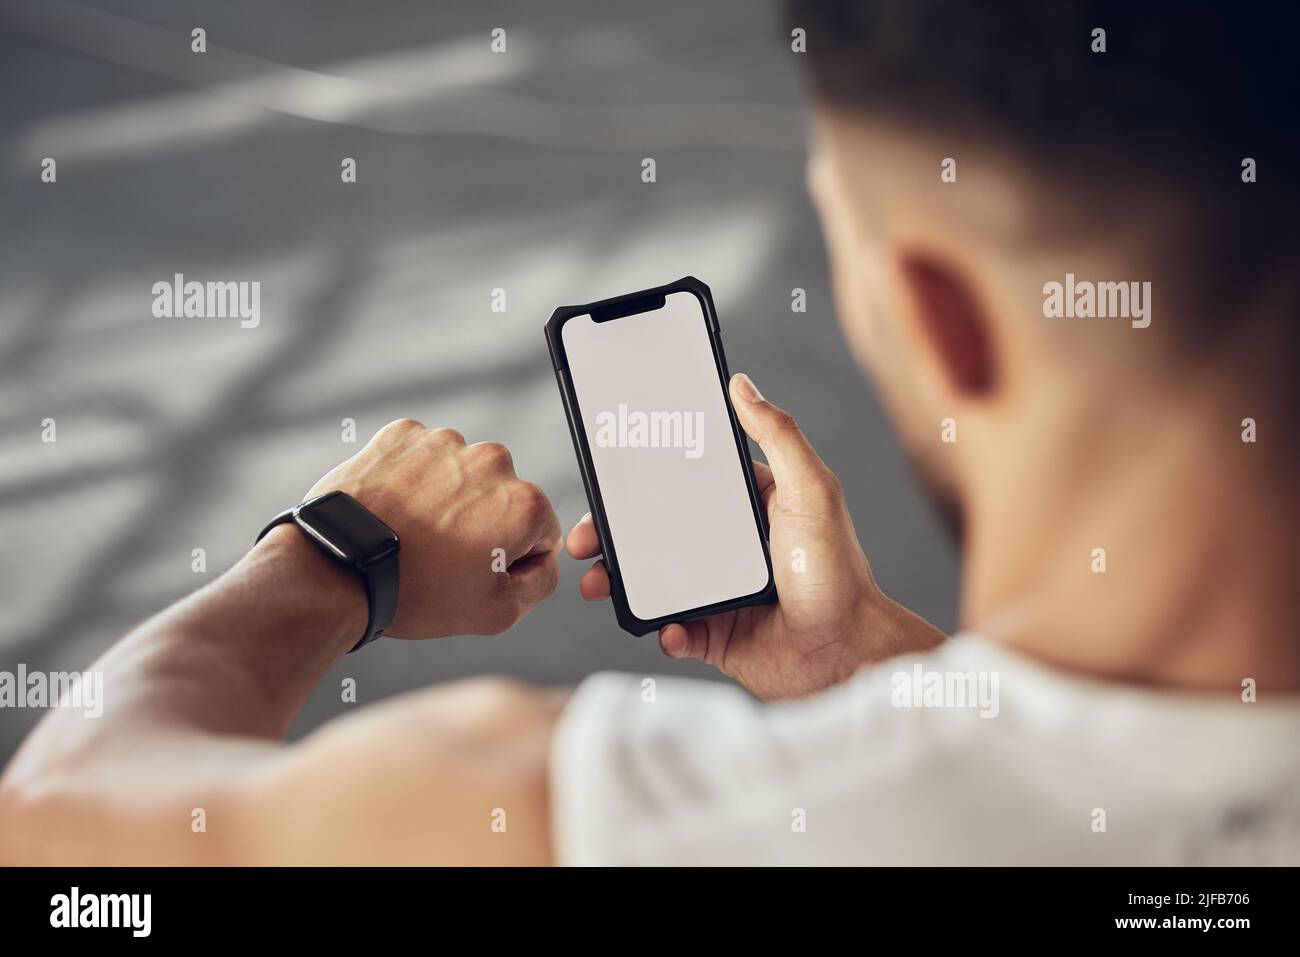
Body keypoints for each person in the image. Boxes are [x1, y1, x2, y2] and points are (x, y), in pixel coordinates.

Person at [2, 1, 1298, 866]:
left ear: (936, 318)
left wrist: (337, 555)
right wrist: (872, 664)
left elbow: (60, 839)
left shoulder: (609, 819)